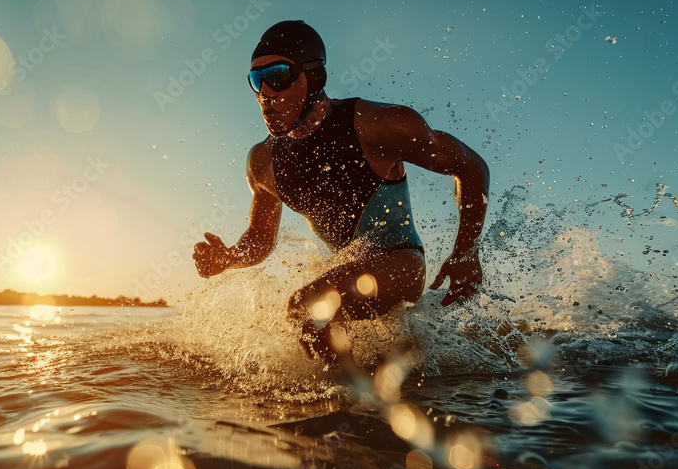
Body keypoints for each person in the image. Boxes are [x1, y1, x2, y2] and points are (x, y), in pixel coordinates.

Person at [193, 20, 489, 364]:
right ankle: (358, 397)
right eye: (257, 80)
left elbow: (470, 166)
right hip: (347, 270)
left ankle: (353, 407)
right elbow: (260, 238)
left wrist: (466, 252)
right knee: (311, 317)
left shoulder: (376, 126)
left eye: (278, 75)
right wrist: (229, 258)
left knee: (305, 309)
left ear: (313, 76)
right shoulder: (263, 162)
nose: (266, 93)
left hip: (401, 261)